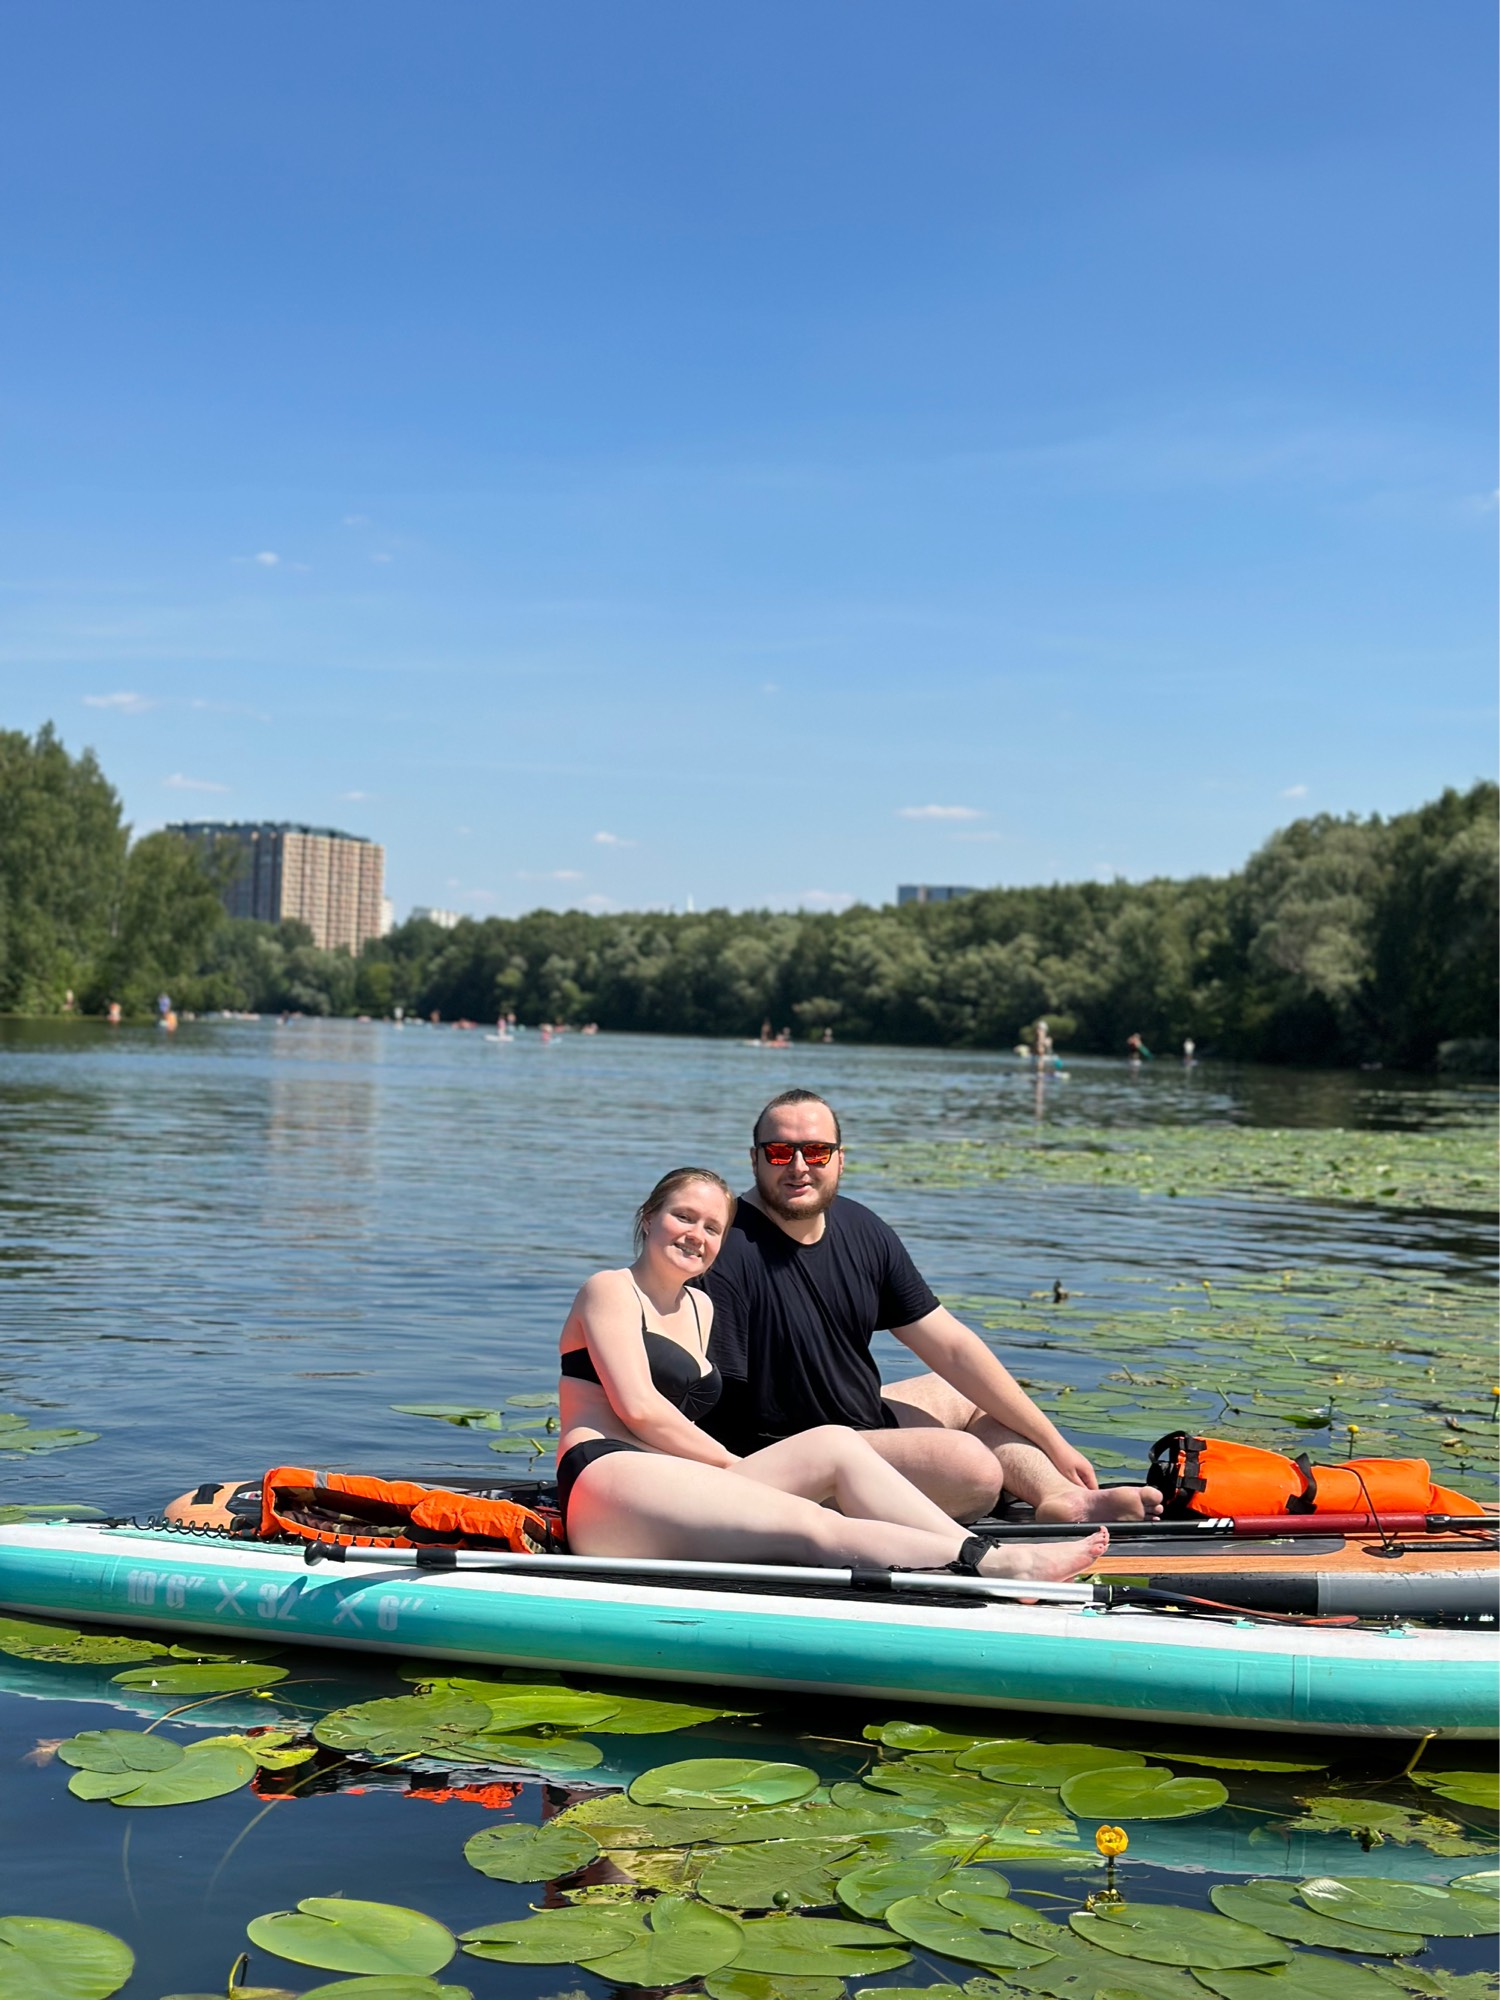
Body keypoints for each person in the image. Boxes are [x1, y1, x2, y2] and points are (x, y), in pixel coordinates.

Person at [556, 1166, 1107, 1581]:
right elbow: (640, 1408)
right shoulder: (610, 1289)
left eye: (713, 1227)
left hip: (677, 1486)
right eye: (682, 1217)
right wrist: (737, 1465)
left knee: (834, 1444)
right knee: (814, 1528)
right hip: (607, 1480)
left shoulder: (701, 1308)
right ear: (649, 1218)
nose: (696, 1234)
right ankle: (992, 1564)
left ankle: (975, 1548)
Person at [696, 1091, 1164, 1525]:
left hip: (865, 1427)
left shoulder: (861, 1227)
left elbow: (953, 1347)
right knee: (972, 1469)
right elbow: (707, 1397)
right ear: (755, 1158)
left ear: (840, 1160)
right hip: (788, 1455)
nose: (798, 1167)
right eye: (780, 1152)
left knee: (962, 1391)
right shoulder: (726, 1251)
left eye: (815, 1152)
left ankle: (1061, 1496)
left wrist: (1053, 1442)